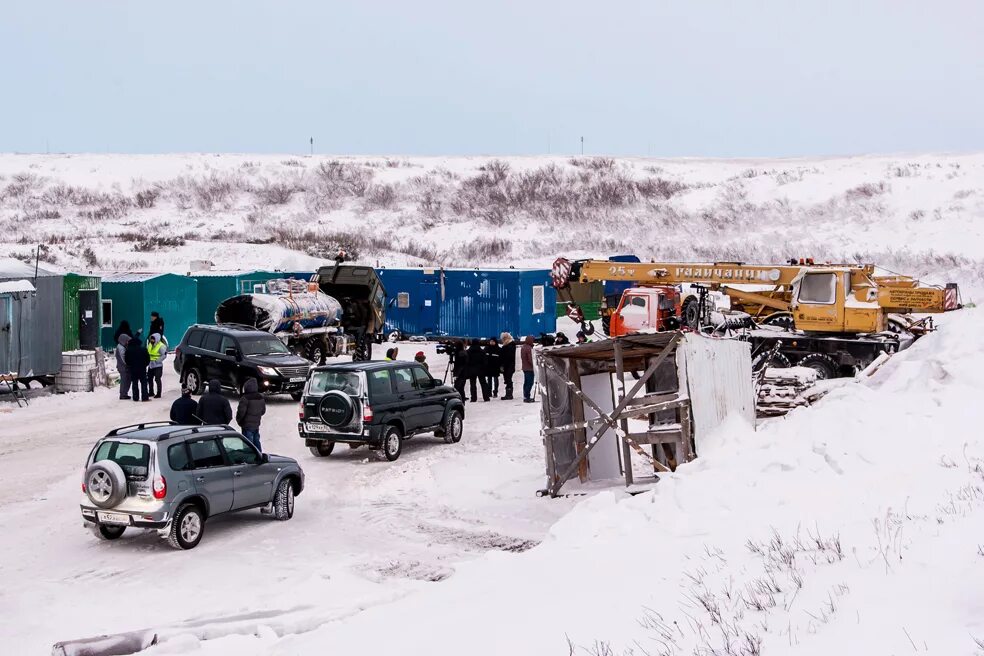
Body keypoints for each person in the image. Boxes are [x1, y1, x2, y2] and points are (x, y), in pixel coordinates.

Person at [236, 378, 266, 451]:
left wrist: (239, 421)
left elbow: (241, 412)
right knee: (256, 441)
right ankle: (259, 455)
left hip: (246, 426)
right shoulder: (260, 397)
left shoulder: (245, 398)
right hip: (256, 425)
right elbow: (263, 411)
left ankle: (249, 457)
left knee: (248, 445)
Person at [124, 336, 150, 402]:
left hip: (133, 369)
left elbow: (126, 360)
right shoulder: (143, 349)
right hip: (142, 369)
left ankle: (135, 397)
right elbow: (148, 359)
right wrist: (145, 365)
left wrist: (130, 365)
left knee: (134, 383)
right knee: (143, 383)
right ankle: (145, 397)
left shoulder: (128, 350)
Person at [146, 333, 167, 399]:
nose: (152, 340)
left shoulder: (161, 346)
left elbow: (164, 355)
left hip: (158, 365)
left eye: (153, 339)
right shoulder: (150, 344)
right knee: (150, 378)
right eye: (151, 339)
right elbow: (148, 353)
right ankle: (151, 392)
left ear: (157, 339)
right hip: (151, 364)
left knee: (157, 379)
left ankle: (158, 393)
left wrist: (157, 361)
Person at [499, 332, 517, 400]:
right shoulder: (510, 345)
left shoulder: (509, 346)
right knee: (507, 379)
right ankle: (508, 394)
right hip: (509, 365)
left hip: (508, 366)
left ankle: (509, 394)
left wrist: (502, 364)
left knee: (508, 379)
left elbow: (507, 357)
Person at [115, 333, 132, 400]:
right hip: (123, 368)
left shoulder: (122, 346)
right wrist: (128, 364)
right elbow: (123, 358)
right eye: (127, 340)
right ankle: (123, 394)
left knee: (127, 380)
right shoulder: (121, 348)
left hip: (123, 367)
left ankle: (124, 393)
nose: (127, 342)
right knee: (124, 380)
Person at [521, 335, 536, 403]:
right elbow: (530, 359)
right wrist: (535, 364)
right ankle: (527, 397)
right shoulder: (529, 348)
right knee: (530, 382)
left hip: (525, 367)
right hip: (529, 368)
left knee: (526, 382)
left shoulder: (523, 347)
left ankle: (525, 396)